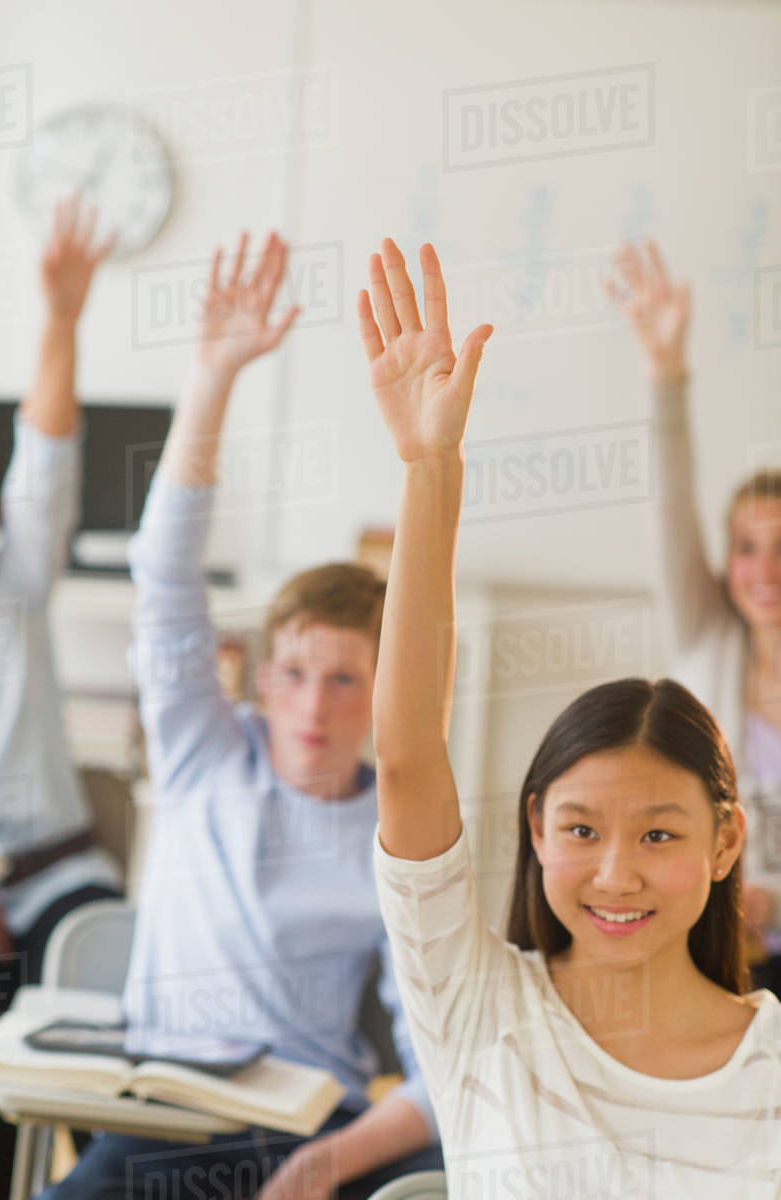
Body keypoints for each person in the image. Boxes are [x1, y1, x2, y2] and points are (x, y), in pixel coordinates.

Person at [360, 238, 781, 1195]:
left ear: (725, 845)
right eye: (581, 829)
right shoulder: (474, 1004)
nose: (615, 872)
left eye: (660, 832)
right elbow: (408, 753)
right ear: (537, 832)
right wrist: (432, 468)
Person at [41, 232, 440, 1200]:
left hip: (313, 1127)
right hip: (168, 1116)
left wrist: (325, 1163)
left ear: (384, 694)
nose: (312, 705)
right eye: (295, 672)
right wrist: (213, 373)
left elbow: (439, 1067)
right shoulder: (203, 754)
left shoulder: (399, 831)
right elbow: (163, 573)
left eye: (347, 681)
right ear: (261, 676)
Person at [0, 197, 122, 1200]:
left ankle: (103, 1184)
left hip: (56, 879)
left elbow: (48, 456)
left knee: (104, 989)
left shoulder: (12, 586)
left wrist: (60, 317)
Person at [607, 241, 781, 996]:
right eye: (746, 547)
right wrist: (665, 372)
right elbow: (669, 514)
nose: (763, 572)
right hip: (699, 934)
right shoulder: (708, 638)